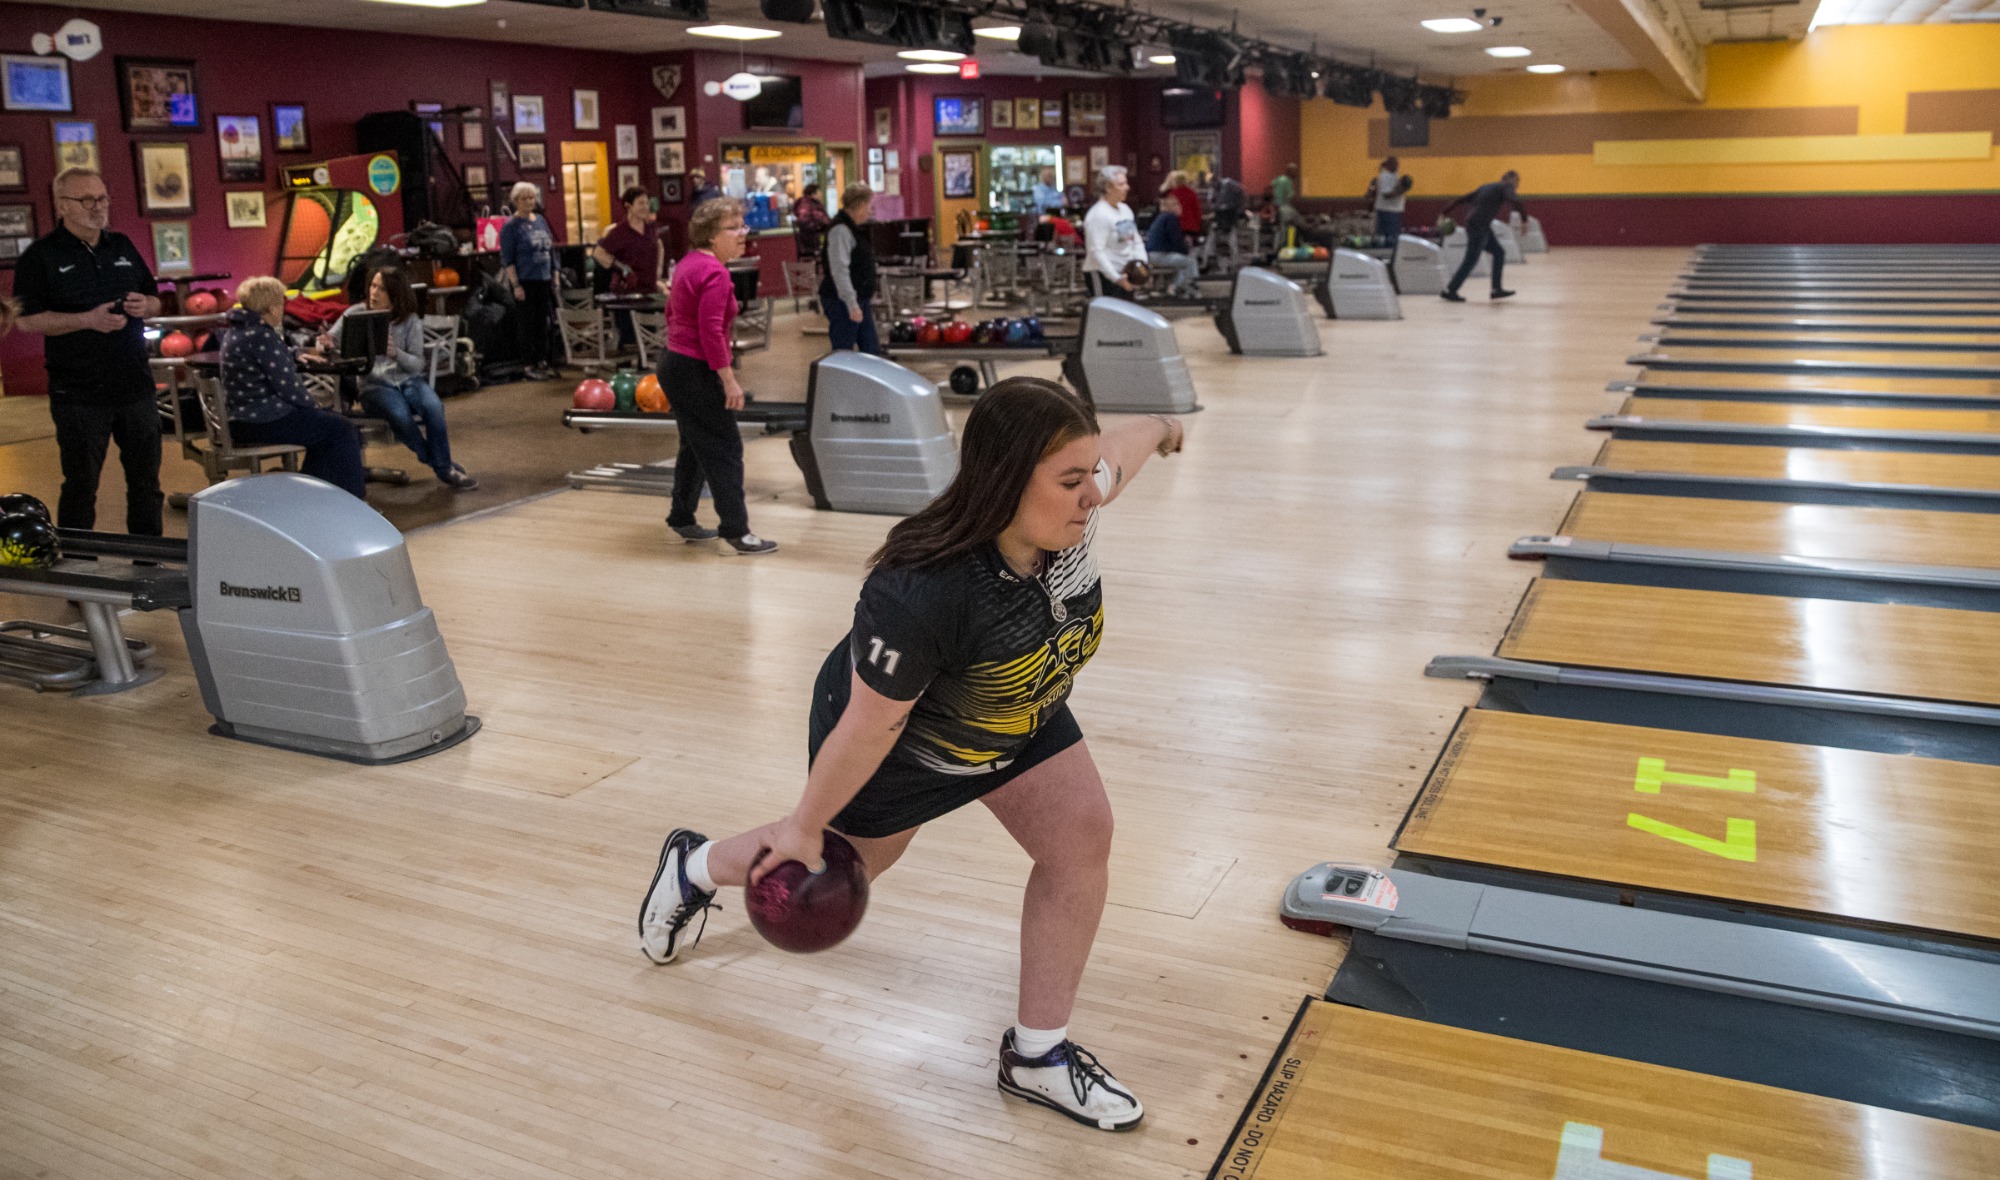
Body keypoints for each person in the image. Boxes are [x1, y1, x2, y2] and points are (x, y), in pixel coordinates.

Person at [638, 377, 1186, 1132]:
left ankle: (1036, 1057)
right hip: (901, 746)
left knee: (1081, 836)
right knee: (845, 861)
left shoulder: (1067, 523)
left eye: (1087, 475)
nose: (1091, 495)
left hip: (1017, 710)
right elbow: (872, 727)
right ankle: (694, 867)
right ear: (1004, 481)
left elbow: (1116, 458)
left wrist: (1159, 423)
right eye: (1069, 481)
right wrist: (804, 825)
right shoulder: (923, 590)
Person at [11, 165, 164, 535]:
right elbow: (26, 321)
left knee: (146, 484)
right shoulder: (40, 256)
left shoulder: (122, 245)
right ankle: (79, 561)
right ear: (62, 205)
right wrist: (87, 320)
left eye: (102, 198)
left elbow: (156, 299)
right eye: (87, 200)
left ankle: (148, 560)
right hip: (79, 393)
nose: (98, 207)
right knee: (82, 485)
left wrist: (146, 305)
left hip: (135, 387)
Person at [658, 198, 776, 556]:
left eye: (742, 226)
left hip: (674, 364)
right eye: (733, 228)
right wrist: (728, 380)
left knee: (695, 445)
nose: (742, 234)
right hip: (696, 369)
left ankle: (681, 518)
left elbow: (671, 313)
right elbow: (710, 331)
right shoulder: (715, 273)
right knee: (726, 447)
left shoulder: (688, 264)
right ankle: (736, 533)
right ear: (711, 235)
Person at [321, 268, 476, 490]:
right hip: (374, 386)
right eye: (373, 286)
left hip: (409, 380)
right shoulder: (356, 313)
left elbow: (417, 364)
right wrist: (325, 344)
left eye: (381, 289)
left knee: (433, 407)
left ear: (395, 295)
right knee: (399, 414)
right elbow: (329, 341)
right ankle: (442, 466)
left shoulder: (410, 320)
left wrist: (396, 354)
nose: (374, 292)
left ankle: (442, 464)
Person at [220, 277, 367, 499]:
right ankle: (355, 499)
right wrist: (314, 407)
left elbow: (263, 357)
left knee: (328, 429)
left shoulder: (237, 330)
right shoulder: (262, 335)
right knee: (342, 429)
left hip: (242, 420)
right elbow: (288, 388)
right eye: (281, 303)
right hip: (263, 420)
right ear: (271, 307)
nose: (283, 309)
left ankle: (308, 495)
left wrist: (294, 353)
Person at [499, 181, 558, 381]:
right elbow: (507, 259)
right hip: (525, 280)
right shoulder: (510, 227)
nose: (529, 202)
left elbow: (550, 249)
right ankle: (527, 364)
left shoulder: (541, 220)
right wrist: (516, 285)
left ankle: (542, 360)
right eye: (524, 198)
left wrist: (555, 273)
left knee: (543, 322)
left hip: (544, 278)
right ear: (515, 201)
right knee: (527, 324)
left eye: (532, 198)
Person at [1439, 170, 1525, 303]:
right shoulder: (1506, 186)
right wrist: (1524, 220)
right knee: (1471, 259)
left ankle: (1496, 289)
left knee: (1499, 253)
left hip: (1478, 225)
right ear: (1510, 179)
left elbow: (1461, 199)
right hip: (1479, 227)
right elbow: (1515, 201)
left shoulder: (1486, 187)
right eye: (1517, 181)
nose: (1517, 185)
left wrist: (1444, 212)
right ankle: (1450, 290)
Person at [819, 183, 881, 356]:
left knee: (871, 350)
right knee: (844, 351)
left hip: (858, 298)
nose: (870, 211)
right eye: (869, 206)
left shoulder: (852, 228)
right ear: (860, 205)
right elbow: (839, 270)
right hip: (842, 301)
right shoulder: (840, 230)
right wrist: (851, 304)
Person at [1081, 166, 1147, 301]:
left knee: (1126, 313)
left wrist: (1141, 264)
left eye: (1126, 183)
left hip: (1125, 272)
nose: (1127, 187)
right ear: (1108, 188)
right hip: (1103, 275)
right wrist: (1115, 277)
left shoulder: (1125, 209)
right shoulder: (1098, 214)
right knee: (1107, 313)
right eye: (1121, 184)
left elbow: (1135, 241)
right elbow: (1096, 251)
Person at [1143, 196, 1199, 298]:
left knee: (1183, 262)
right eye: (1178, 205)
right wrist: (1187, 250)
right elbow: (1176, 241)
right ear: (1172, 206)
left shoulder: (1161, 218)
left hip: (1152, 255)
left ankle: (1179, 285)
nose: (1181, 208)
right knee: (1189, 260)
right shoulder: (1171, 218)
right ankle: (1184, 285)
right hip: (1160, 256)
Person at [1368, 156, 1412, 261]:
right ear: (1388, 165)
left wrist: (1402, 185)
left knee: (1392, 239)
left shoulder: (1394, 175)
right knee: (1387, 240)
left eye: (1397, 163)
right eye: (1394, 163)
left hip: (1394, 211)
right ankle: (1383, 260)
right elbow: (1386, 195)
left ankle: (1390, 259)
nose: (1397, 166)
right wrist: (1402, 190)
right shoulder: (1385, 176)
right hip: (1387, 211)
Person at [791, 183, 831, 260]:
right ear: (813, 194)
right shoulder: (808, 205)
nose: (821, 194)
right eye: (819, 192)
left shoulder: (811, 204)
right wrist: (819, 225)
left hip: (811, 239)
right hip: (810, 241)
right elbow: (805, 220)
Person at [1160, 170, 1203, 241]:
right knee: (1189, 245)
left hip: (1177, 226)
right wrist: (1198, 226)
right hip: (1191, 227)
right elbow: (1197, 211)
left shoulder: (1172, 194)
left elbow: (1168, 212)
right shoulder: (1192, 193)